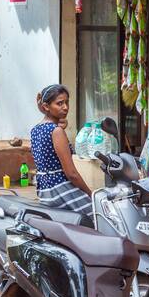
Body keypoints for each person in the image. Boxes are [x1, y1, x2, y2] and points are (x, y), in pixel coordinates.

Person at [29, 84, 93, 215]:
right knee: (97, 214)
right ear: (46, 107)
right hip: (60, 189)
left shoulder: (35, 130)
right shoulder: (56, 131)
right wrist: (91, 193)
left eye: (67, 102)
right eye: (59, 103)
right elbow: (71, 174)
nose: (65, 107)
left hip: (44, 191)